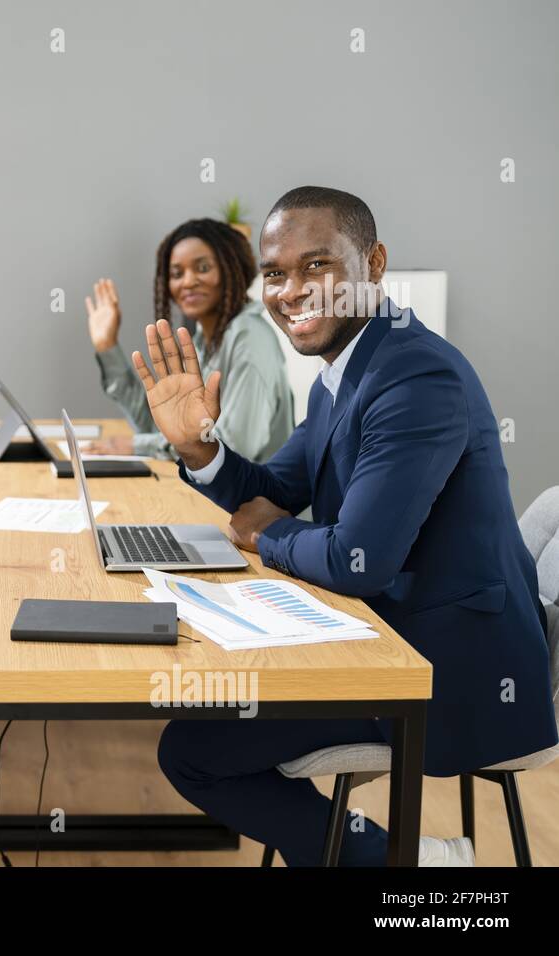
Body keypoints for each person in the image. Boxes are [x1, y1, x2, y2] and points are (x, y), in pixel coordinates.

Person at [133, 186, 557, 866]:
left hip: (449, 669)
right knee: (204, 729)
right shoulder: (345, 372)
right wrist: (200, 449)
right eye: (275, 273)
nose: (291, 290)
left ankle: (404, 864)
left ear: (374, 264)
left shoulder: (415, 375)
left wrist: (265, 536)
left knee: (195, 750)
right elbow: (275, 488)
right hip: (392, 635)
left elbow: (359, 560)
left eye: (317, 266)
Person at [84, 219, 293, 461]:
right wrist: (107, 346)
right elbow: (160, 428)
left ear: (231, 269)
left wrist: (136, 446)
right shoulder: (203, 343)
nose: (187, 281)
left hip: (253, 497)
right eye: (176, 273)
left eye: (203, 268)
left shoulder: (250, 337)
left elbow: (236, 447)